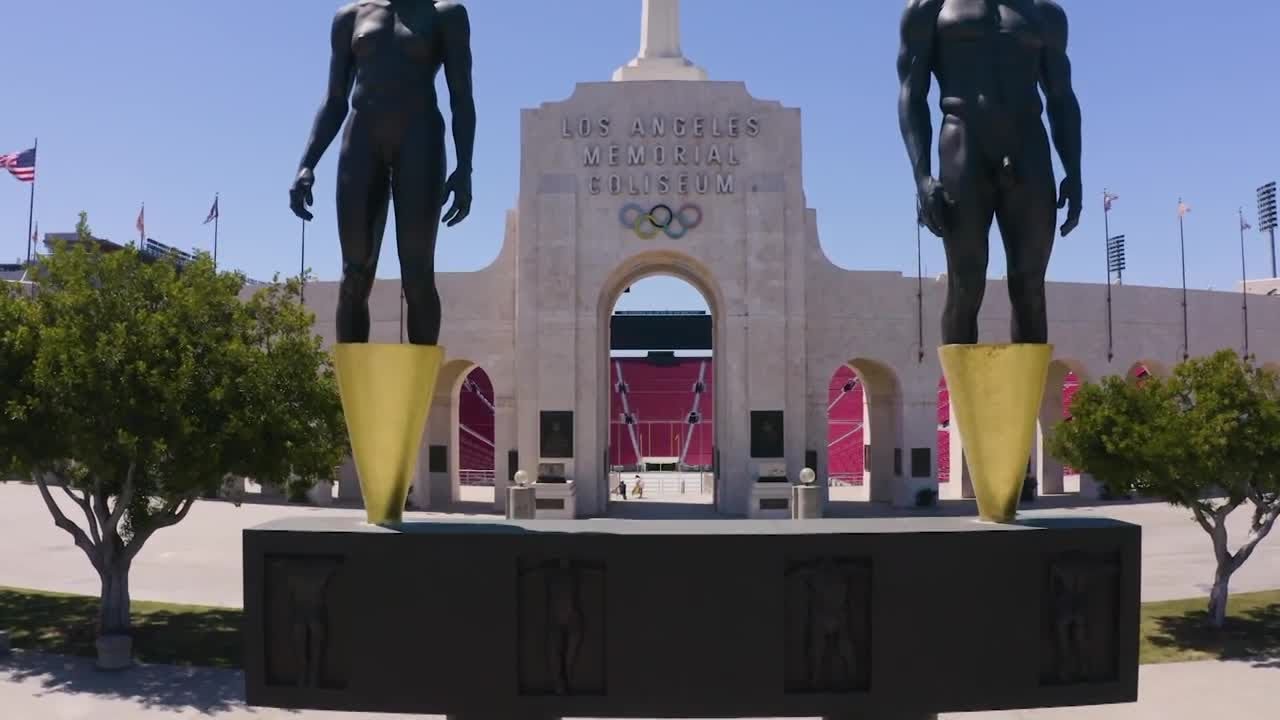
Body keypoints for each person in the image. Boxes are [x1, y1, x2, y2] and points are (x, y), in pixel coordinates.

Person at [289, 0, 476, 346]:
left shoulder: (445, 14)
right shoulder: (350, 17)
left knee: (417, 275)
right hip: (362, 142)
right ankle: (355, 396)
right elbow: (334, 100)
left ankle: (421, 397)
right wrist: (307, 162)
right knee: (354, 275)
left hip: (419, 141)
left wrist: (465, 167)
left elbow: (461, 96)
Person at [897, 0, 1083, 345]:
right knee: (966, 283)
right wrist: (922, 176)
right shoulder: (929, 8)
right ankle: (965, 400)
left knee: (1029, 286)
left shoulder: (1044, 13)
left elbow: (1061, 96)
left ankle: (1024, 400)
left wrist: (1074, 170)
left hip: (1028, 144)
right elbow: (912, 93)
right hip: (963, 141)